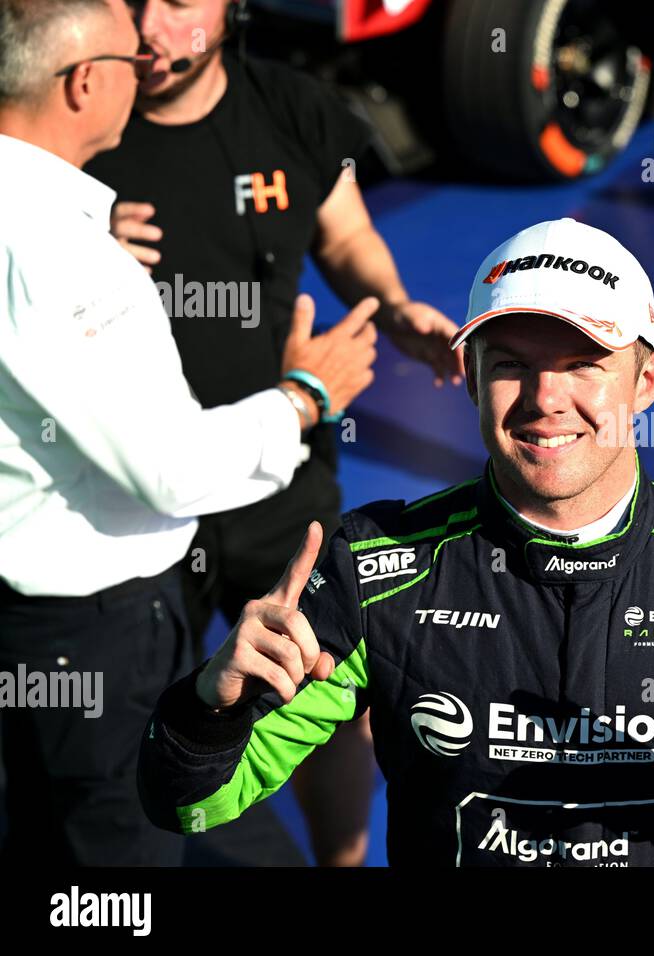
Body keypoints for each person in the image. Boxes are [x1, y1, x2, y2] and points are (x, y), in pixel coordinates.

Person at [138, 218, 654, 866]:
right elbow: (191, 808)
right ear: (469, 376)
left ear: (646, 383)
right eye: (511, 365)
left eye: (583, 365)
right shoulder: (376, 568)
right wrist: (211, 706)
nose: (546, 400)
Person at [85, 0, 463, 866]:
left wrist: (398, 307)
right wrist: (73, 236)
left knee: (315, 688)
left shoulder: (296, 110)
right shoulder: (80, 118)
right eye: (133, 1)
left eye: (179, 4)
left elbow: (349, 233)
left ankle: (340, 864)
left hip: (280, 470)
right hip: (131, 488)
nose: (148, 28)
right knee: (136, 706)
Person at [0, 0, 375, 865]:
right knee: (115, 866)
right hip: (92, 641)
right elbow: (170, 470)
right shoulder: (70, 258)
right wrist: (306, 394)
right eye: (129, 64)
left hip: (34, 630)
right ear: (84, 83)